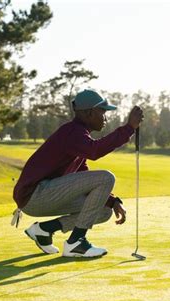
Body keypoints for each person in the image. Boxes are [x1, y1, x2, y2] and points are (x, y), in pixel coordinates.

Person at [12, 89, 143, 258]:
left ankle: (44, 230)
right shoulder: (72, 132)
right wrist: (128, 129)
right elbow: (95, 151)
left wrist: (111, 201)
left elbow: (83, 174)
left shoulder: (78, 135)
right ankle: (76, 242)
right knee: (106, 177)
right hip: (35, 195)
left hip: (46, 196)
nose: (105, 117)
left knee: (104, 210)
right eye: (102, 111)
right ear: (89, 113)